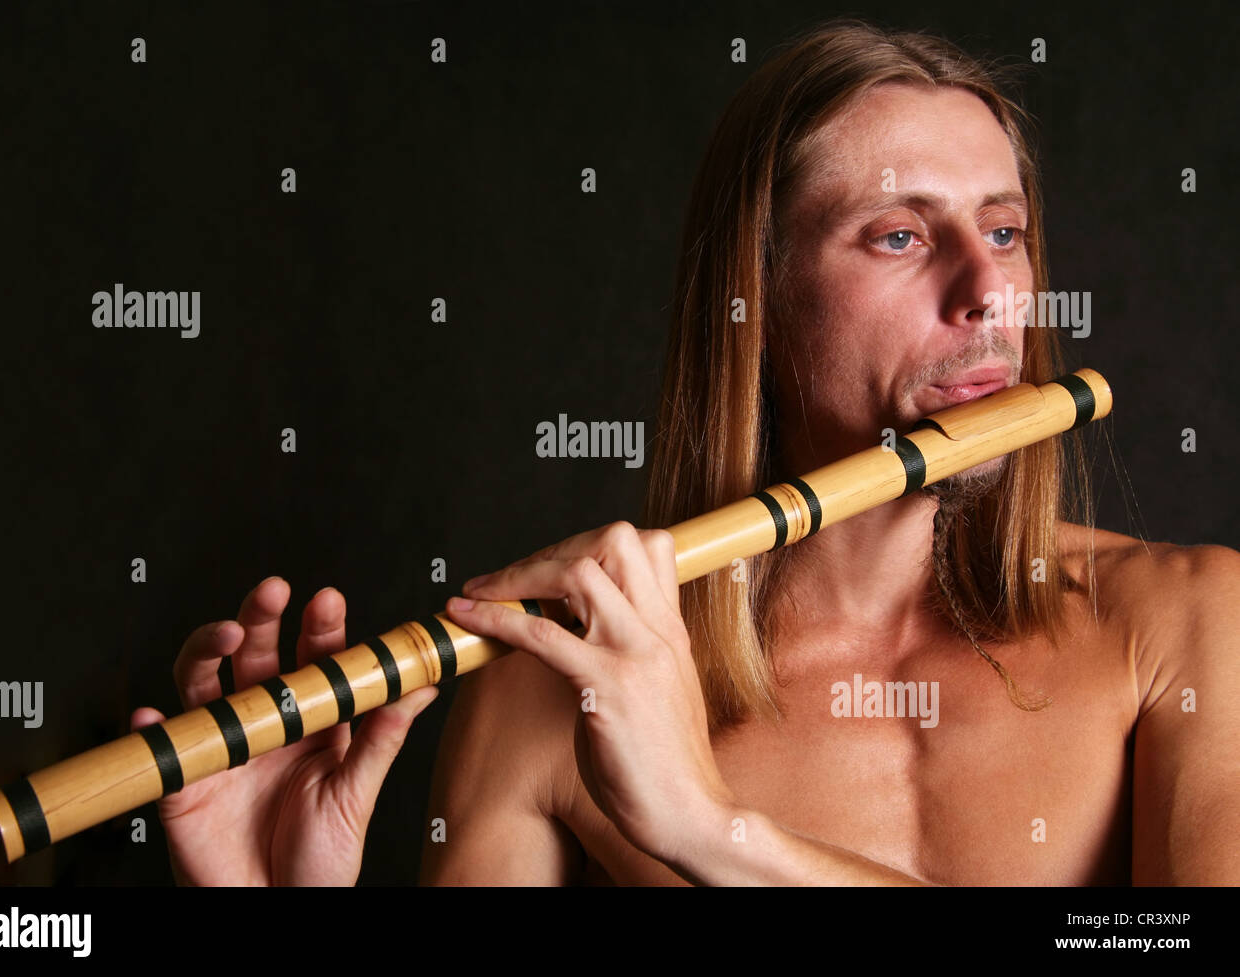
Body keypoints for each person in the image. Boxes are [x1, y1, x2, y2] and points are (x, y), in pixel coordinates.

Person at [137, 19, 1240, 885]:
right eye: (899, 234)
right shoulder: (548, 693)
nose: (989, 288)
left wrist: (715, 833)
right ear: (753, 299)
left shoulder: (1187, 623)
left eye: (1003, 229)